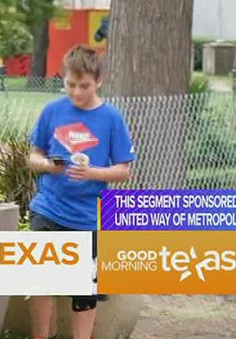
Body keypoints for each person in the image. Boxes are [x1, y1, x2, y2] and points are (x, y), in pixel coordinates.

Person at [27, 45, 136, 339]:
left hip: (89, 217)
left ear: (98, 81)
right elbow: (33, 156)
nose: (76, 92)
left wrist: (93, 174)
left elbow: (124, 170)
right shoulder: (52, 111)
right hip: (48, 209)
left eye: (84, 86)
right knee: (40, 283)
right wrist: (48, 166)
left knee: (84, 294)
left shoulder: (111, 118)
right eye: (70, 84)